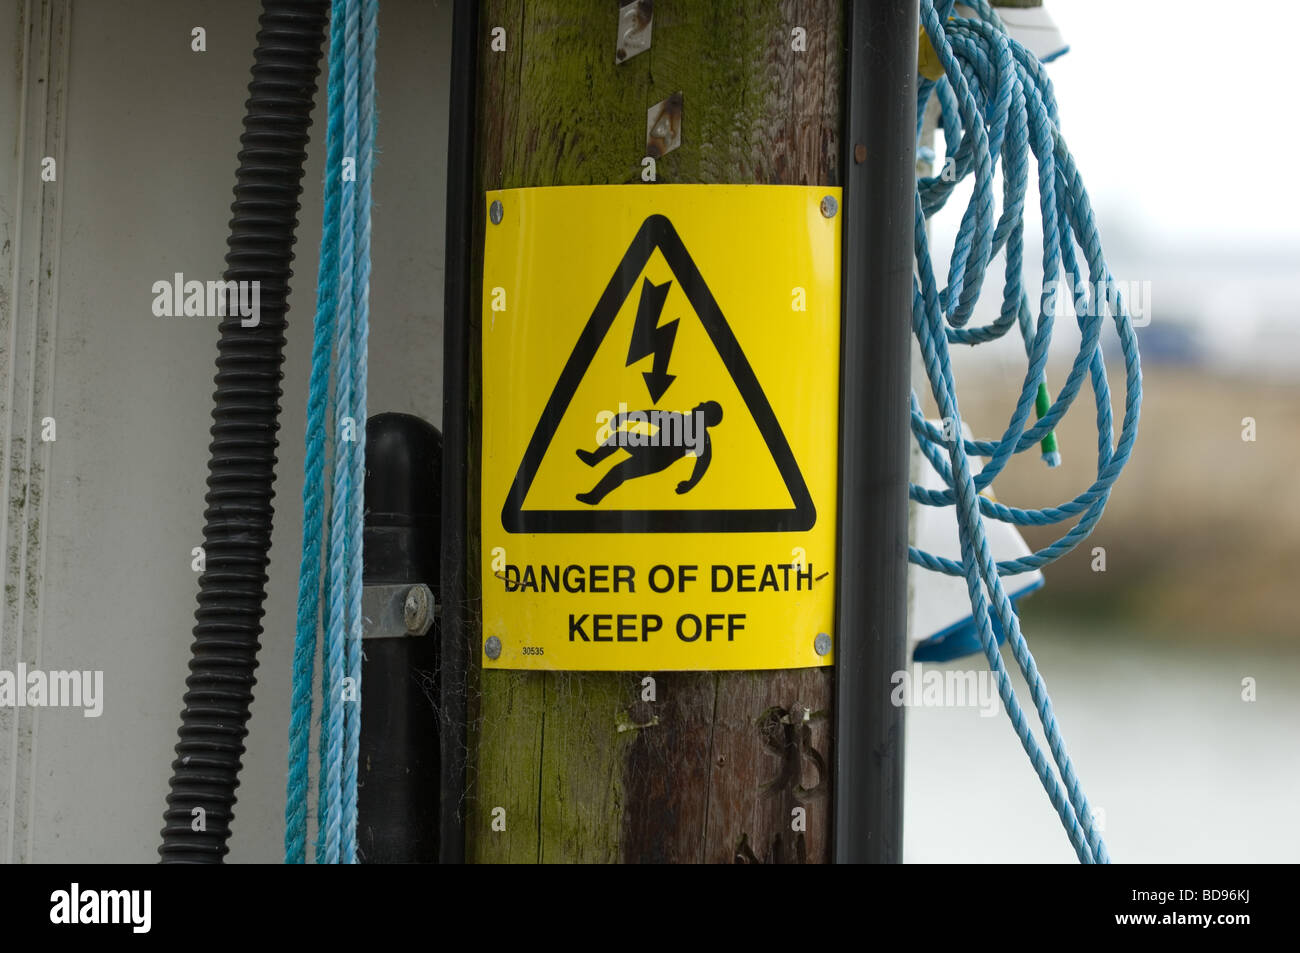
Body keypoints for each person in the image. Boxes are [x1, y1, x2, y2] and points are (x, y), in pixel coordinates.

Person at [575, 401, 723, 505]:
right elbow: (651, 415)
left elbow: (704, 461)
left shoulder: (701, 437)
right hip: (648, 446)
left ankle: (594, 497)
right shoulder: (680, 419)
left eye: (705, 406)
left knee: (618, 471)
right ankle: (594, 459)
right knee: (619, 437)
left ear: (707, 416)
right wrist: (625, 417)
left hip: (656, 460)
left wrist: (691, 483)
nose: (700, 404)